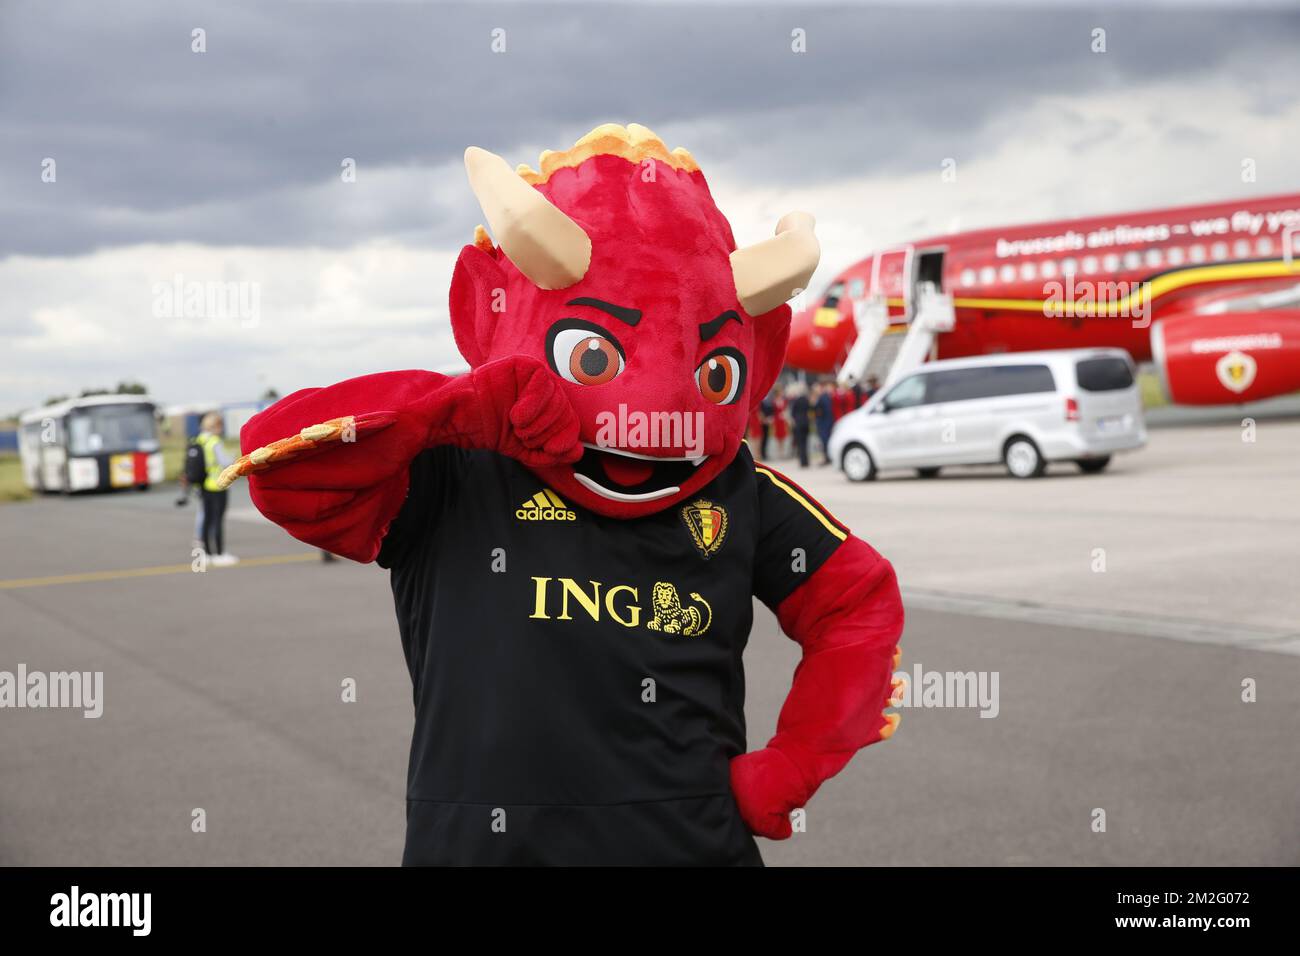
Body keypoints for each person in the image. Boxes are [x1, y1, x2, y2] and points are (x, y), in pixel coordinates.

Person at [219, 123, 902, 866]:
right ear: (493, 312)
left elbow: (855, 607)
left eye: (712, 374)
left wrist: (797, 760)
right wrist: (452, 409)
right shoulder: (447, 471)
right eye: (595, 353)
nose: (653, 401)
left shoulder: (743, 492)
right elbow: (280, 468)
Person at [195, 412, 238, 566]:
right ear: (216, 426)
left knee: (207, 519)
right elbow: (225, 462)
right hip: (217, 484)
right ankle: (219, 553)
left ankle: (206, 553)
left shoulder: (199, 439)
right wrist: (233, 458)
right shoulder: (214, 441)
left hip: (203, 484)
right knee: (218, 520)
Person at [788, 381, 811, 467]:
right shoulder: (806, 400)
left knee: (800, 443)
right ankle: (806, 461)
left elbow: (793, 412)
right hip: (806, 422)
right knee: (805, 443)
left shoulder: (796, 401)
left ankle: (802, 462)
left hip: (799, 423)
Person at [813, 381, 835, 465]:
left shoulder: (822, 397)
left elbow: (820, 411)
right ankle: (827, 457)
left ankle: (827, 458)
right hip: (826, 422)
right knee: (825, 441)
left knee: (825, 440)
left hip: (824, 423)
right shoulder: (825, 397)